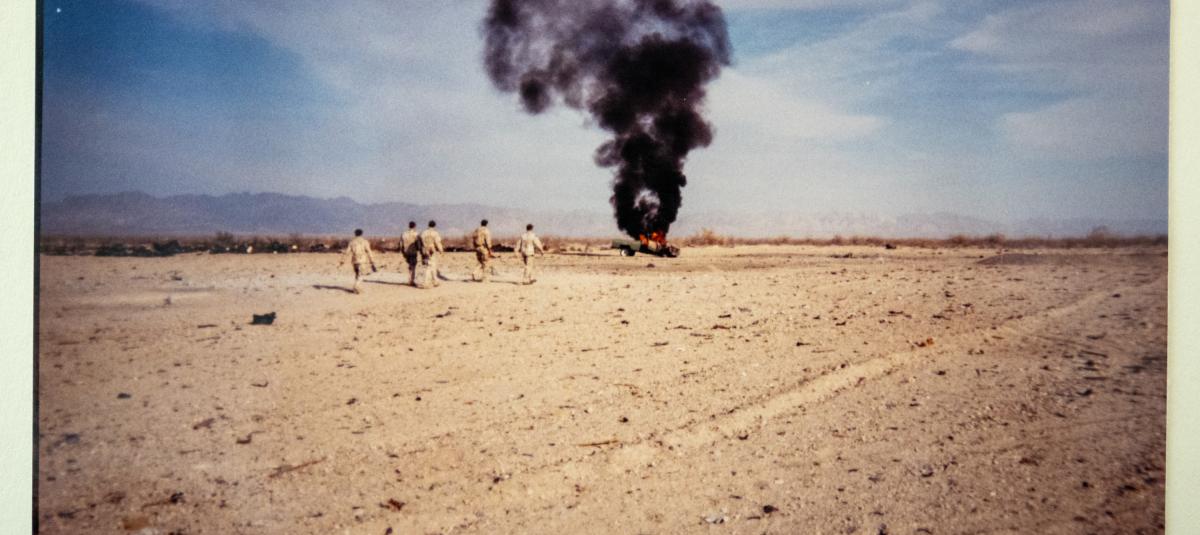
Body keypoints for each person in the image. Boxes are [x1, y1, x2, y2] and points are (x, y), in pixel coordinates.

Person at [337, 228, 376, 294]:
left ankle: (357, 288)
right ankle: (356, 287)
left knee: (357, 274)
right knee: (361, 275)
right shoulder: (365, 242)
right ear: (362, 234)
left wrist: (342, 261)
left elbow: (347, 252)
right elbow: (369, 252)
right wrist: (372, 262)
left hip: (354, 260)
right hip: (362, 260)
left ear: (355, 234)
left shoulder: (352, 242)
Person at [418, 220, 444, 288]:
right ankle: (426, 283)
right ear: (434, 225)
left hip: (424, 251)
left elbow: (419, 243)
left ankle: (435, 281)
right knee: (430, 266)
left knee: (427, 265)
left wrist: (421, 250)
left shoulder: (423, 233)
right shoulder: (435, 233)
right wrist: (441, 250)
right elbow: (437, 242)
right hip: (431, 251)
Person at [400, 221, 420, 286]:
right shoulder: (416, 234)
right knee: (413, 266)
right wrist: (419, 249)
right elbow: (418, 244)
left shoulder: (404, 234)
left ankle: (410, 279)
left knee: (410, 266)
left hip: (406, 252)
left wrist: (403, 252)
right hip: (413, 251)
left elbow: (401, 244)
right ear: (414, 226)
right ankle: (411, 280)